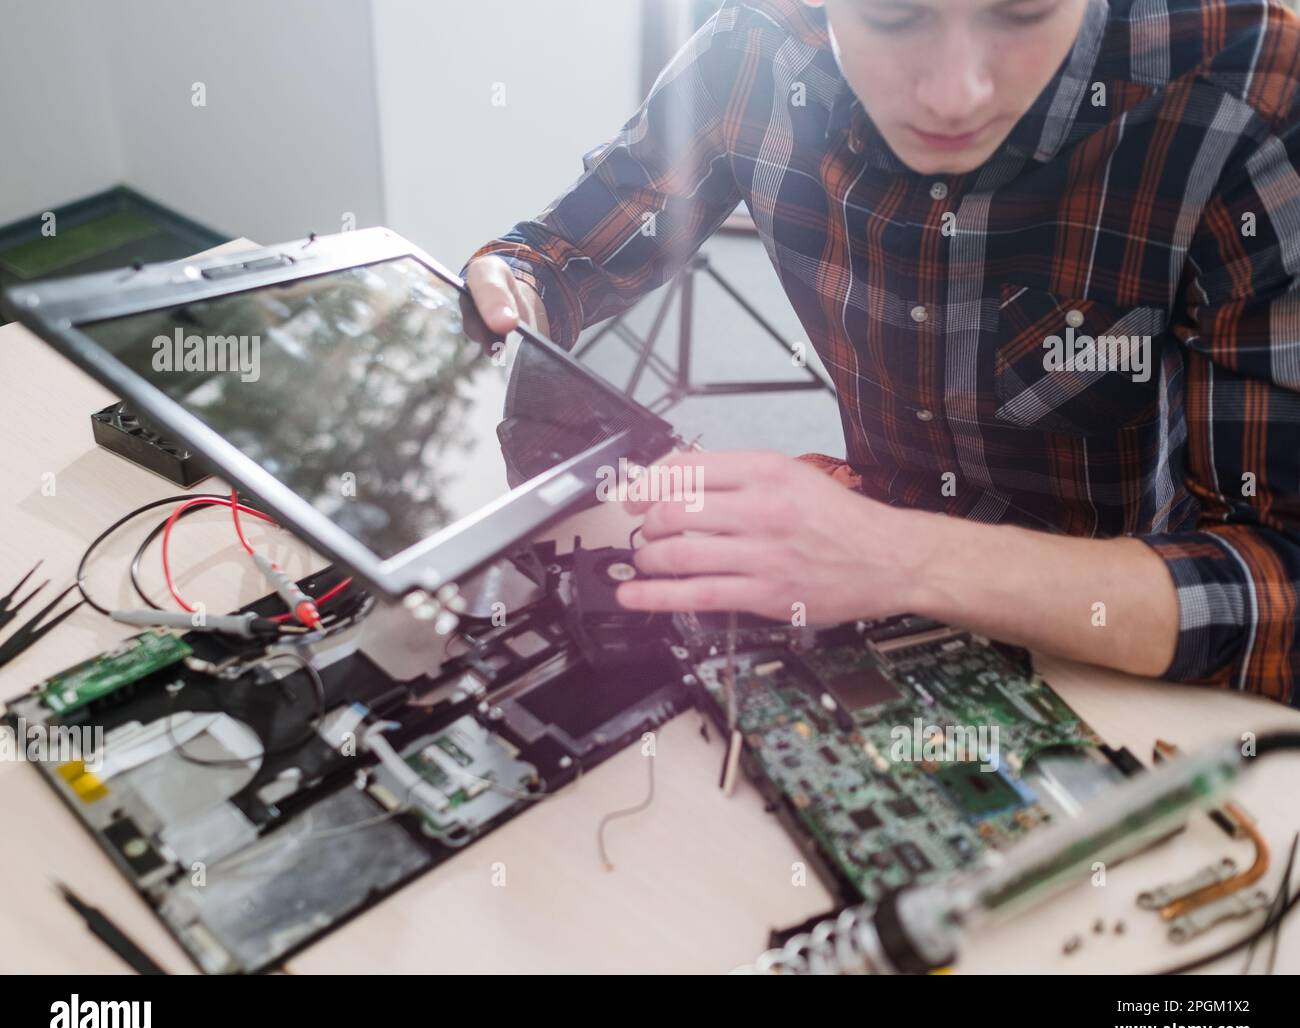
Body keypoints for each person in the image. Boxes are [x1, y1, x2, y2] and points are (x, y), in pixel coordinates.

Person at [463, 0, 1300, 708]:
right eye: (895, 16)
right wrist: (509, 285)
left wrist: (894, 553)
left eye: (1023, 11)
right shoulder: (753, 47)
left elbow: (1282, 587)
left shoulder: (1248, 93)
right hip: (852, 571)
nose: (954, 92)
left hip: (1114, 642)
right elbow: (556, 262)